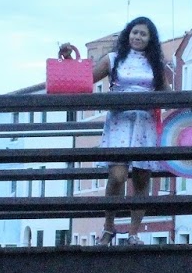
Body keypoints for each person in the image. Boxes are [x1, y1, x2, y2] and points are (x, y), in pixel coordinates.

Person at [58, 16, 170, 244]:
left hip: (144, 123)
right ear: (128, 34)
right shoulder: (113, 59)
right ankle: (109, 227)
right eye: (135, 32)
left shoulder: (155, 64)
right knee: (117, 175)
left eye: (143, 34)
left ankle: (134, 232)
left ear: (150, 39)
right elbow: (83, 80)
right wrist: (68, 59)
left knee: (141, 179)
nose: (138, 37)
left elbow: (167, 93)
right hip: (119, 120)